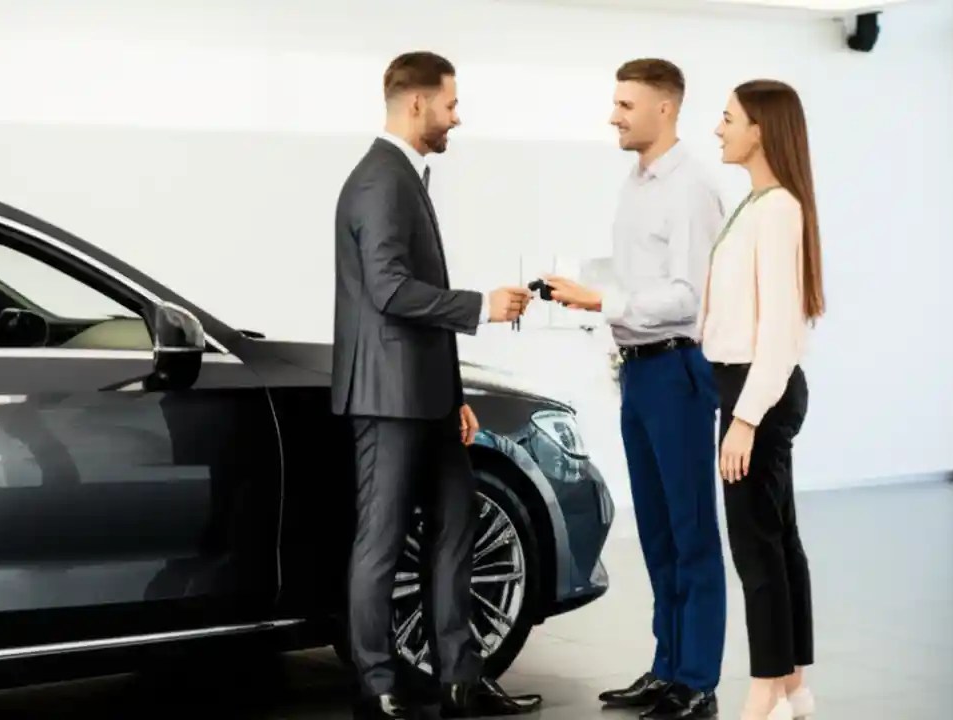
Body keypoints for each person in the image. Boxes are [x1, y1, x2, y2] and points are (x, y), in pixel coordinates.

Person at [331, 50, 543, 720]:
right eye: (450, 104)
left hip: (427, 400)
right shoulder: (379, 180)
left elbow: (411, 308)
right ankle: (376, 683)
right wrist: (480, 306)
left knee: (456, 532)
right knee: (382, 540)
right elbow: (390, 291)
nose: (457, 117)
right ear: (416, 103)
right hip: (387, 402)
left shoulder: (405, 177)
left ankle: (460, 680)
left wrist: (454, 397)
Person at [541, 58, 726, 720]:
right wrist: (599, 299)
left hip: (677, 370)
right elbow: (638, 279)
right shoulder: (637, 182)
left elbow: (688, 295)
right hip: (639, 370)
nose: (613, 115)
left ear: (665, 109)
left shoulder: (692, 188)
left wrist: (603, 299)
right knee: (656, 530)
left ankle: (698, 679)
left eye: (625, 104)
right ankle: (666, 667)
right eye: (614, 103)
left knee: (691, 531)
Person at [702, 79, 823, 720]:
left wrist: (744, 419)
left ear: (760, 130)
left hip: (759, 393)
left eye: (727, 119)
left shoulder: (776, 210)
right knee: (778, 541)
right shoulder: (760, 203)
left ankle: (764, 692)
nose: (718, 129)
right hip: (754, 390)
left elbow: (780, 329)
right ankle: (795, 687)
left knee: (756, 550)